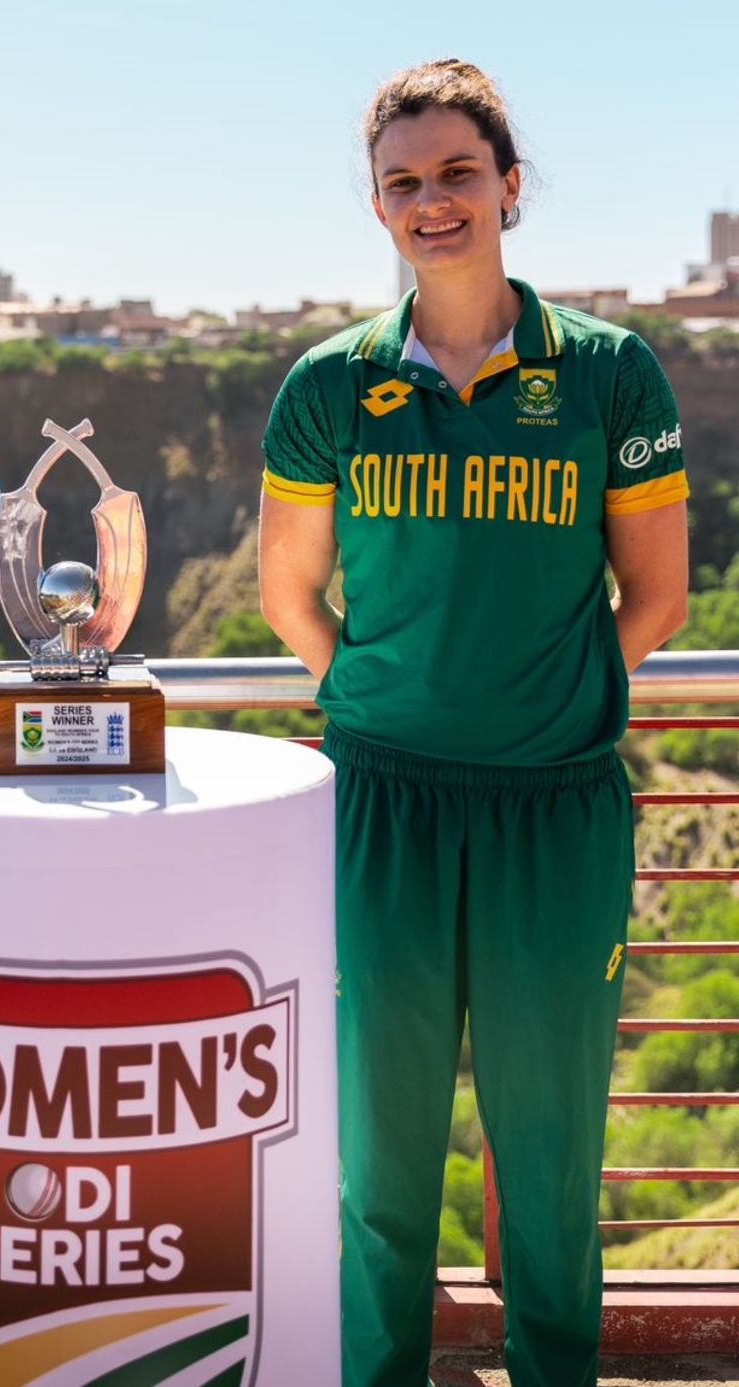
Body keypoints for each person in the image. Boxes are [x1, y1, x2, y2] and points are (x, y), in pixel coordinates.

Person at [258, 60, 689, 1387]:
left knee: (549, 1157)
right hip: (382, 799)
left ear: (509, 187)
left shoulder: (612, 374)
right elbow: (290, 591)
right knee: (379, 1159)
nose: (431, 201)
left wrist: (542, 695)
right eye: (403, 182)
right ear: (377, 207)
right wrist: (388, 688)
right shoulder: (330, 386)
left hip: (555, 804)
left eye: (456, 174)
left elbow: (659, 594)